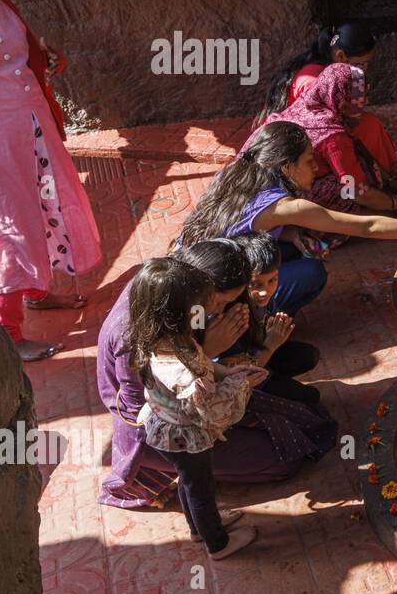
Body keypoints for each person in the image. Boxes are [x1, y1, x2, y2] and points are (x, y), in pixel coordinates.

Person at [98, 240, 338, 510]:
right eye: (220, 303)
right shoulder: (134, 338)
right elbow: (145, 409)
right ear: (199, 290)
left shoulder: (176, 293)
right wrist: (211, 354)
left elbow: (210, 366)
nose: (218, 312)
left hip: (202, 393)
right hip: (163, 428)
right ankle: (157, 488)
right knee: (287, 460)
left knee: (302, 419)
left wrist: (223, 368)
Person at [178, 121, 397, 276]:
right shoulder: (287, 206)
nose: (316, 168)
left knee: (298, 246)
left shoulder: (236, 171)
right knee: (310, 274)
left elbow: (244, 223)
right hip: (213, 283)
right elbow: (365, 227)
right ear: (286, 167)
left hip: (190, 258)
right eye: (309, 161)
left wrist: (290, 232)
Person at [127, 256, 264, 558]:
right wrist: (240, 385)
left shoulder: (161, 337)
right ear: (178, 313)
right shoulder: (179, 371)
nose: (211, 310)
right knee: (201, 489)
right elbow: (209, 409)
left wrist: (226, 372)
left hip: (166, 427)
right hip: (186, 435)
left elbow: (202, 363)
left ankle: (198, 528)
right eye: (201, 307)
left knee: (188, 483)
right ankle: (218, 543)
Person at [0, 0, 103, 361]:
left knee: (45, 203)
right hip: (2, 136)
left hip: (29, 122)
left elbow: (19, 54)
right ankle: (9, 336)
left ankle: (35, 293)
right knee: (12, 227)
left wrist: (45, 60)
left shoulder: (2, 0)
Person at [258, 63, 397, 214]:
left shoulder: (308, 101)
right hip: (274, 201)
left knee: (356, 159)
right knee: (343, 191)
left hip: (258, 184)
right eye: (360, 98)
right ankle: (316, 231)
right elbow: (356, 192)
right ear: (343, 100)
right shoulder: (332, 137)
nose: (366, 101)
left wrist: (393, 182)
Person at [256, 22, 397, 179]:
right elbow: (324, 127)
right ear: (340, 56)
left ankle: (384, 177)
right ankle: (378, 180)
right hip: (303, 144)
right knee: (368, 127)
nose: (363, 69)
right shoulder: (312, 81)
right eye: (362, 63)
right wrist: (396, 203)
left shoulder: (333, 72)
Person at [228, 230, 321, 404]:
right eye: (255, 284)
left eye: (273, 280)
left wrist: (274, 333)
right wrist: (271, 344)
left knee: (308, 356)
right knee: (311, 398)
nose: (265, 291)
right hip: (239, 379)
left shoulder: (262, 301)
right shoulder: (232, 317)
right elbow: (237, 376)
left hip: (257, 357)